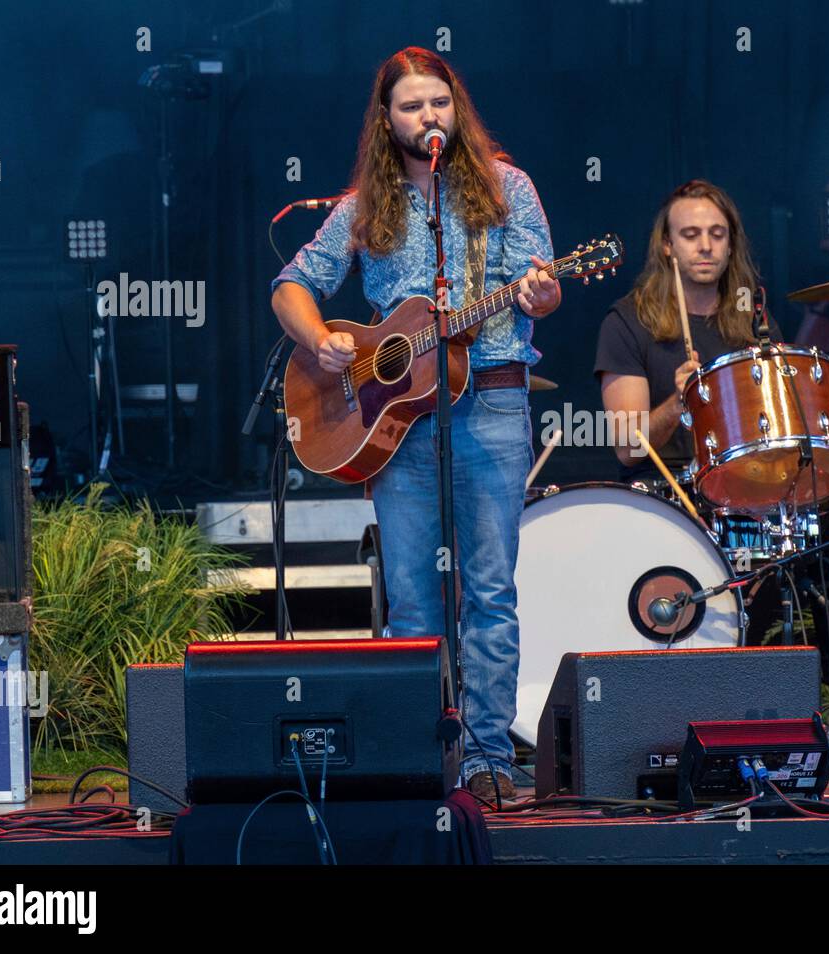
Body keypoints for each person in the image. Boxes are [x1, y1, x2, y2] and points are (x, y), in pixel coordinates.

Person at [271, 47, 561, 802]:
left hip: (492, 400)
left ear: (455, 108)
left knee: (489, 591)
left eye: (439, 102)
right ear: (387, 119)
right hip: (395, 422)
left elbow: (546, 287)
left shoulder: (508, 188)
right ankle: (413, 760)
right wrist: (322, 341)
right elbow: (293, 284)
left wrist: (537, 294)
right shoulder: (368, 204)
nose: (428, 116)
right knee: (410, 598)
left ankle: (488, 760)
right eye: (411, 106)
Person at [593, 180, 829, 733]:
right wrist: (675, 402)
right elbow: (627, 443)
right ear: (667, 246)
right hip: (671, 498)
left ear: (731, 244)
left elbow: (776, 425)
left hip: (748, 491)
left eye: (716, 235)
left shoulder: (749, 318)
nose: (704, 246)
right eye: (690, 235)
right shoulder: (629, 321)